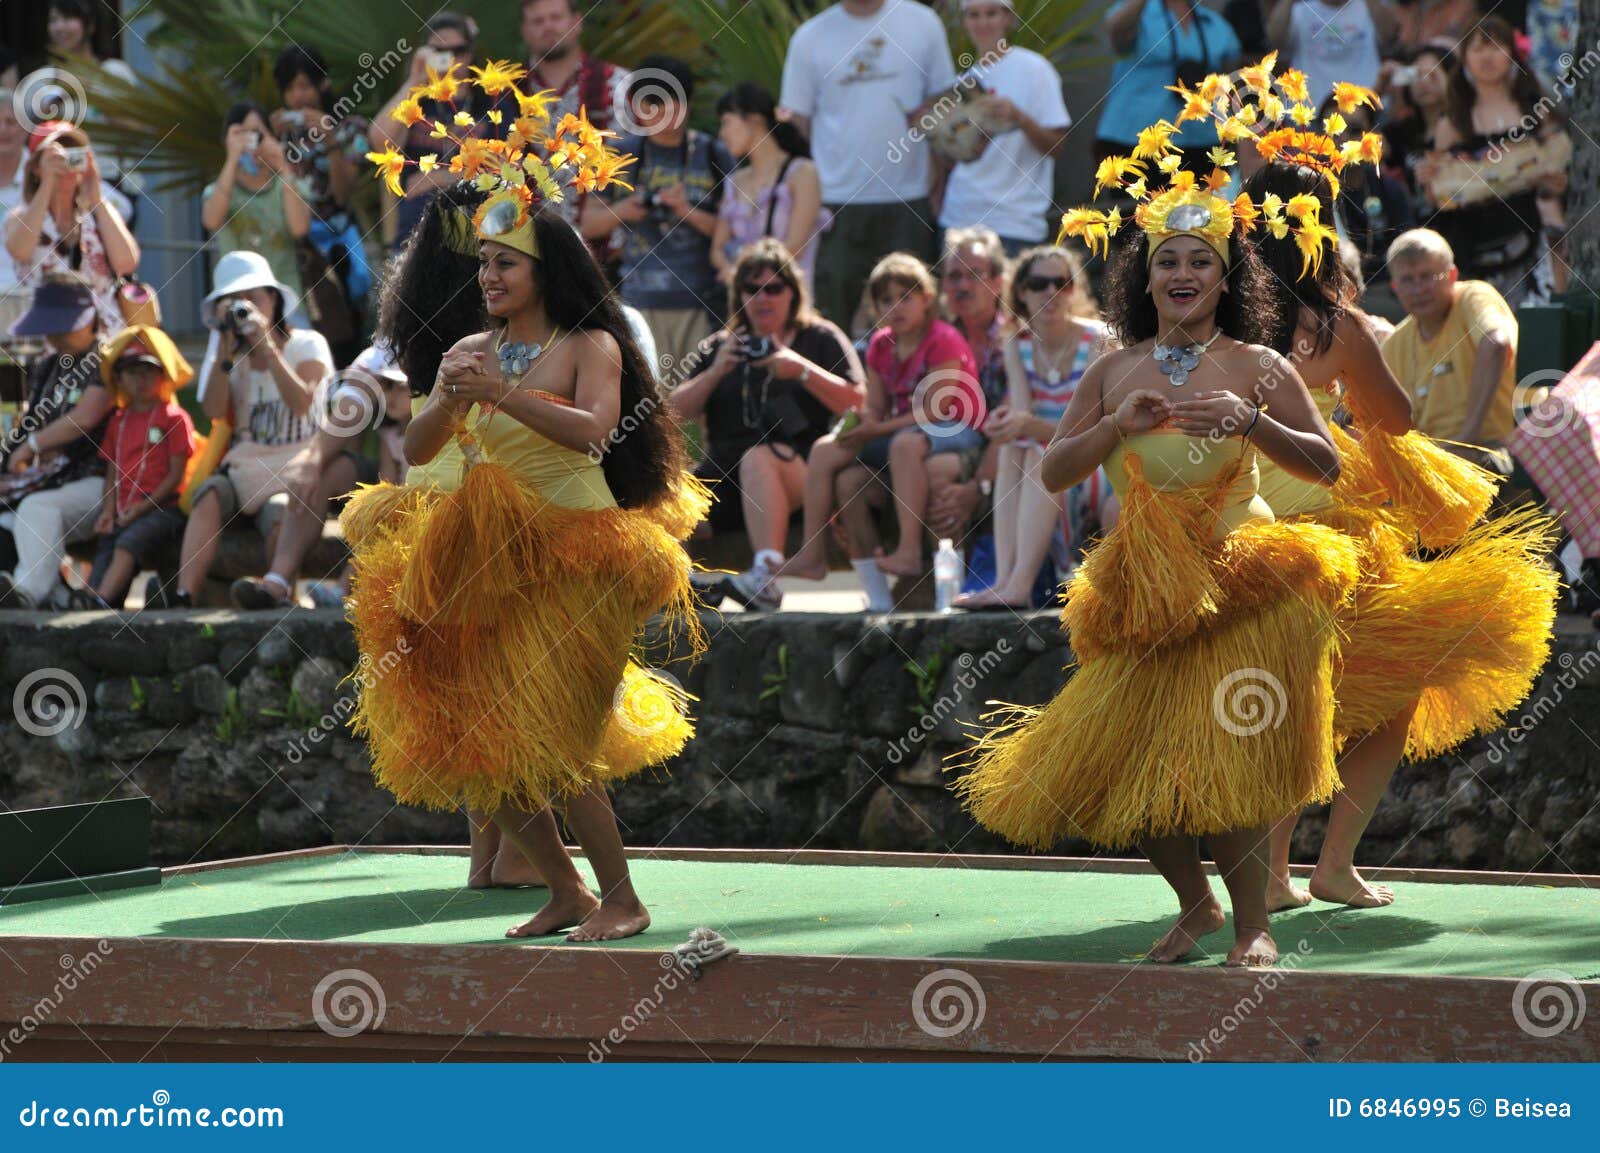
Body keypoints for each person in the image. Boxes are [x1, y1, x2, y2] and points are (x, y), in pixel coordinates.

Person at [960, 143, 1356, 968]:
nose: (1182, 273)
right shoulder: (1113, 370)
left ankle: (1253, 926)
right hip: (1144, 590)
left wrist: (1251, 422)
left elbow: (1328, 465)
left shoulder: (1259, 364)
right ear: (1145, 280)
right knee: (1123, 763)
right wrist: (1115, 424)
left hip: (1242, 584)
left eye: (1199, 261)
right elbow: (1056, 470)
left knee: (1230, 760)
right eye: (1167, 260)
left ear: (1225, 277)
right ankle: (1196, 903)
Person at [342, 87, 707, 941]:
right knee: (478, 739)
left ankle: (624, 899)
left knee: (560, 740)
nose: (489, 276)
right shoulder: (472, 347)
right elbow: (418, 448)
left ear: (548, 271)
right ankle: (567, 891)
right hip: (497, 562)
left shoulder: (590, 344)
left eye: (506, 263)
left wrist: (501, 393)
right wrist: (449, 396)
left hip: (583, 558)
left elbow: (594, 433)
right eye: (483, 263)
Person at [1239, 143, 1555, 910]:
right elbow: (1400, 420)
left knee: (1283, 702)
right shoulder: (1336, 326)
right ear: (1323, 231)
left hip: (1242, 531)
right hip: (1328, 530)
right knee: (1389, 690)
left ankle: (1272, 877)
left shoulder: (1219, 321)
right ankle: (1332, 863)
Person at [671, 238, 865, 611]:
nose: (763, 298)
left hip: (801, 477)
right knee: (664, 492)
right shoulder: (720, 346)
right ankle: (681, 591)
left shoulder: (818, 337)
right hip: (725, 483)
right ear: (739, 294)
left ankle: (766, 586)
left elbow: (859, 404)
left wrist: (801, 370)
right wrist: (715, 373)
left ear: (793, 293)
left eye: (774, 288)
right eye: (752, 288)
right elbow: (670, 418)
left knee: (757, 459)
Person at [774, 252, 979, 606]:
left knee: (904, 445)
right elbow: (877, 407)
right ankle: (814, 556)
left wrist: (878, 428)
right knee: (827, 453)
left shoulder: (942, 337)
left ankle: (909, 552)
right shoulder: (881, 344)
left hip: (954, 428)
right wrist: (858, 425)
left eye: (905, 297)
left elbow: (938, 409)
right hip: (903, 431)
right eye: (886, 300)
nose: (896, 307)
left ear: (926, 299)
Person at [156, 252, 332, 609]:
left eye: (254, 297)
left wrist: (267, 346)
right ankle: (184, 596)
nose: (246, 307)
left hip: (293, 467)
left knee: (281, 512)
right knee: (208, 494)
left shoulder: (307, 343)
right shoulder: (231, 357)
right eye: (235, 301)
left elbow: (303, 403)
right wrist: (223, 346)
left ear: (274, 298)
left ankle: (277, 600)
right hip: (244, 469)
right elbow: (212, 411)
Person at [779, 0, 957, 330]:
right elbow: (796, 124)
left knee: (915, 321)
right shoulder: (809, 36)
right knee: (834, 316)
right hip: (835, 203)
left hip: (909, 200)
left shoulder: (923, 22)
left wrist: (940, 183)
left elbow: (946, 103)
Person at [955, 245, 1106, 609]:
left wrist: (1028, 425)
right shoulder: (1017, 345)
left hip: (1096, 462)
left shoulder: (1097, 340)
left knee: (1038, 454)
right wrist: (1006, 425)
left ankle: (1018, 585)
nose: (1051, 292)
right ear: (1022, 291)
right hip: (1051, 459)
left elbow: (1092, 429)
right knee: (1013, 448)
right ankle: (1004, 580)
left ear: (1073, 290)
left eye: (1062, 283)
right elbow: (1022, 419)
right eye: (1039, 284)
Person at [581, 56, 727, 372]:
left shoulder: (714, 153)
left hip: (700, 303)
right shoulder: (621, 155)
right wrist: (623, 210)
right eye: (653, 106)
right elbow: (588, 224)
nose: (663, 116)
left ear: (688, 104)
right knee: (649, 393)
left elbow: (737, 232)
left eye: (672, 105)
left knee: (696, 393)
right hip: (639, 302)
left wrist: (686, 211)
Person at [1417, 17, 1568, 305]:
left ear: (1512, 54)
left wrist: (1553, 185)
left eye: (1496, 47)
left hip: (1532, 237)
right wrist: (1428, 179)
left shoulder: (1536, 110)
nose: (1488, 57)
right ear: (1465, 59)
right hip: (1475, 245)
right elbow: (1440, 196)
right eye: (1478, 49)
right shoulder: (1453, 123)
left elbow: (1556, 172)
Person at [0, 276, 108, 610]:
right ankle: (57, 596)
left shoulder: (109, 359)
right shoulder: (47, 367)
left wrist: (32, 446)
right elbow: (27, 424)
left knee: (38, 509)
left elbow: (86, 417)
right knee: (6, 521)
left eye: (64, 327)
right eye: (50, 329)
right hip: (48, 480)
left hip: (101, 481)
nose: (55, 337)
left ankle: (26, 595)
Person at [937, 1, 1071, 255]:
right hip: (958, 220)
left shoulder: (1036, 69)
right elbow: (949, 159)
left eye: (991, 14)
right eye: (973, 15)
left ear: (1008, 18)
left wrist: (1018, 118)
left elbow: (1056, 146)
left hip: (1016, 223)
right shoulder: (960, 81)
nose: (982, 23)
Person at [81, 328, 196, 611]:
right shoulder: (118, 421)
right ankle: (91, 600)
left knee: (128, 542)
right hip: (124, 509)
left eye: (148, 372)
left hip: (163, 508)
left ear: (163, 376)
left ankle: (101, 600)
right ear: (119, 379)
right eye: (133, 373)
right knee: (107, 544)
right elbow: (112, 472)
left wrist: (143, 508)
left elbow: (175, 475)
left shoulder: (174, 418)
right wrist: (108, 511)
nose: (141, 380)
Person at [1381, 227, 1518, 462]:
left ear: (1452, 275)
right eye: (1408, 280)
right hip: (1434, 463)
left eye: (1427, 276)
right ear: (1395, 288)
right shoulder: (1394, 345)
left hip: (1489, 451)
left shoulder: (1473, 298)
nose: (1419, 289)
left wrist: (1465, 440)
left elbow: (1495, 343)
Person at [368, 12, 499, 251]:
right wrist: (415, 81)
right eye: (439, 52)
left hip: (476, 235)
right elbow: (379, 140)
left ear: (470, 53)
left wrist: (440, 177)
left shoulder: (492, 101)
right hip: (415, 236)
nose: (450, 59)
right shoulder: (416, 100)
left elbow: (507, 166)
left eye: (459, 50)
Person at [4, 120, 139, 332]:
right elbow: (20, 251)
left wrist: (96, 196)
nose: (66, 161)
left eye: (74, 153)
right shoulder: (20, 216)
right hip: (45, 337)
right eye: (56, 155)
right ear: (35, 166)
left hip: (103, 338)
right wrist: (47, 183)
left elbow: (126, 263)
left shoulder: (100, 212)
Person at [272, 45, 372, 323]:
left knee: (347, 319)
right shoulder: (282, 135)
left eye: (304, 86)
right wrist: (273, 142)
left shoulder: (351, 129)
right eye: (289, 89)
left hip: (337, 248)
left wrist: (331, 143)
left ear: (323, 83)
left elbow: (342, 196)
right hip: (293, 248)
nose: (297, 97)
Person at [926, 228, 1010, 546]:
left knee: (938, 470)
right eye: (954, 276)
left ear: (998, 282)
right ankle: (940, 569)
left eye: (975, 275)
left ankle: (952, 568)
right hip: (951, 442)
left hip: (1008, 447)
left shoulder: (1016, 338)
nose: (962, 286)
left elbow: (1012, 421)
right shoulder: (936, 337)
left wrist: (977, 486)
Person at [517, 0, 628, 235]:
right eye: (538, 21)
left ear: (577, 22)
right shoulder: (508, 91)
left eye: (556, 17)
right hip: (527, 242)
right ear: (525, 31)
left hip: (606, 244)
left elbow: (636, 165)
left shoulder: (616, 84)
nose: (548, 26)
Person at [1099, 1, 1242, 168]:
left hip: (1202, 139)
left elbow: (1234, 74)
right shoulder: (1139, 15)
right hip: (1136, 139)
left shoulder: (1214, 23)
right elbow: (1116, 32)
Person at [711, 84, 824, 293]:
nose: (722, 134)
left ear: (754, 120)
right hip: (744, 299)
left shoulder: (802, 173)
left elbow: (795, 245)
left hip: (790, 297)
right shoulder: (734, 181)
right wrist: (729, 269)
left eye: (726, 122)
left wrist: (740, 268)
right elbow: (717, 249)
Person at [202, 102, 310, 318]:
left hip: (287, 308)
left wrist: (283, 165)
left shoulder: (289, 186)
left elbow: (299, 229)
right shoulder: (219, 190)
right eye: (240, 134)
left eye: (257, 134)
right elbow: (211, 221)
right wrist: (232, 158)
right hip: (235, 307)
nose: (250, 142)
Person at [1267, 1, 1396, 98]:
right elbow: (1274, 42)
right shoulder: (1299, 11)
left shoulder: (1369, 7)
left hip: (1365, 112)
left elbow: (1391, 35)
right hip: (1309, 113)